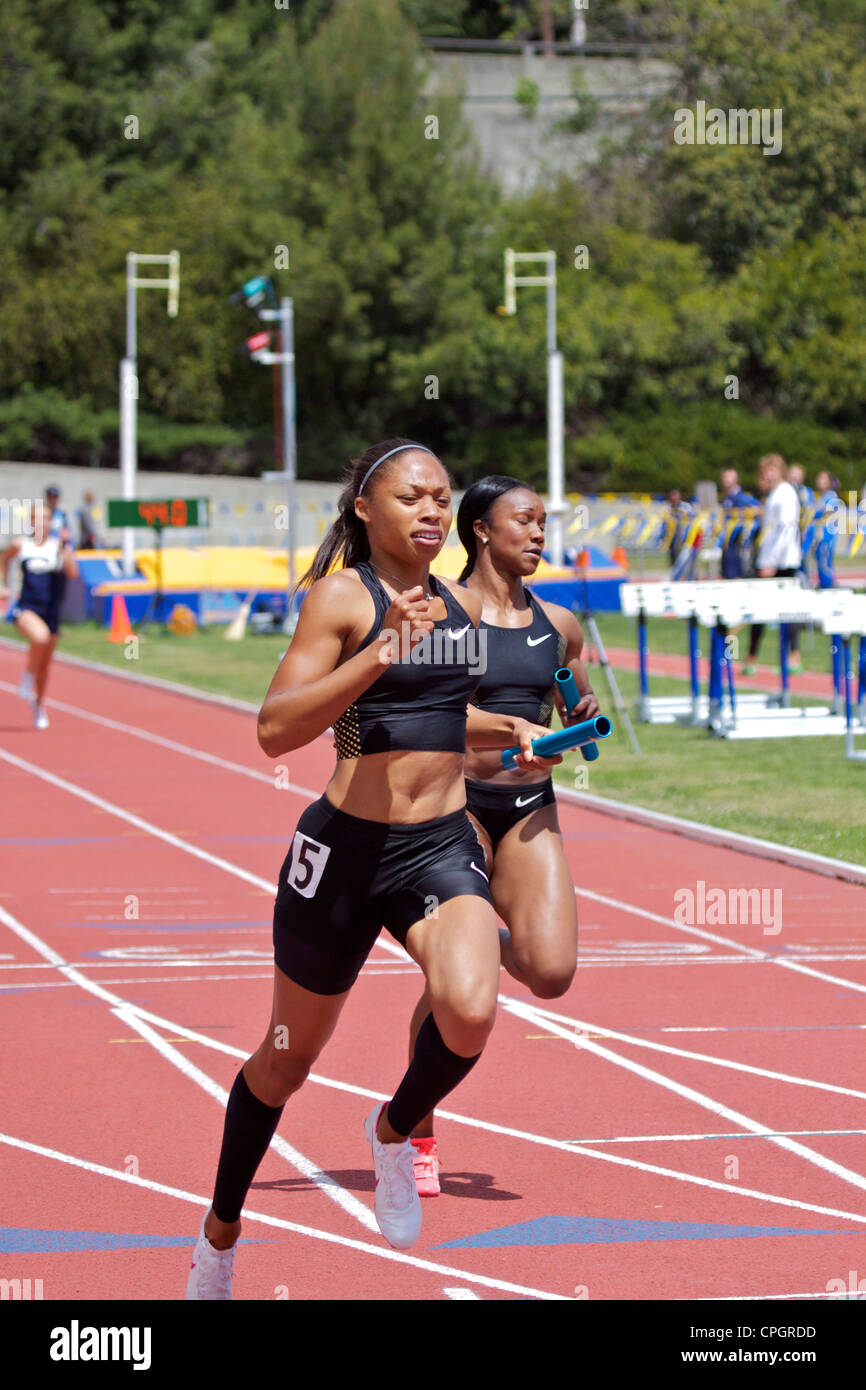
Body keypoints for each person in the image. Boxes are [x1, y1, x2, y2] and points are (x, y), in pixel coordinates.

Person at [185, 440, 555, 1299]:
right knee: (283, 1062)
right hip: (343, 856)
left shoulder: (458, 605)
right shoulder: (345, 598)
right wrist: (381, 649)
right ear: (365, 509)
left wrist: (509, 733)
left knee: (469, 1009)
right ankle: (220, 1236)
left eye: (441, 499)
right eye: (410, 498)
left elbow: (439, 715)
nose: (431, 512)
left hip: (437, 846)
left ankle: (392, 1131)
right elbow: (276, 728)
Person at [403, 476, 599, 1197]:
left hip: (528, 804)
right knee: (455, 984)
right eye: (525, 520)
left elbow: (570, 703)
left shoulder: (560, 625)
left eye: (544, 522)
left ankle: (480, 943)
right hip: (451, 807)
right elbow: (421, 717)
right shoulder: (441, 612)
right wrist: (508, 733)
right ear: (480, 529)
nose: (540, 533)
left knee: (549, 973)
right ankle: (413, 1131)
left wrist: (573, 725)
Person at [0, 501, 78, 729]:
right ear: (32, 521)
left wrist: (65, 548)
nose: (43, 522)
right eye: (39, 518)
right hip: (27, 607)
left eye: (47, 518)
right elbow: (5, 561)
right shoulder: (21, 544)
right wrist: (4, 585)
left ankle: (39, 705)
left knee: (45, 665)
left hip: (51, 610)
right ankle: (27, 674)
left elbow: (73, 573)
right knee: (39, 638)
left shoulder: (56, 547)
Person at [743, 454, 802, 676]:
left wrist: (772, 564)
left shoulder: (785, 493)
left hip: (782, 562)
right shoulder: (774, 494)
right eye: (765, 470)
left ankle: (793, 657)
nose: (768, 474)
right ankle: (752, 657)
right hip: (771, 559)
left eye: (773, 469)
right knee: (760, 611)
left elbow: (786, 530)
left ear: (781, 471)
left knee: (786, 611)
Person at [719, 467, 758, 580]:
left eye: (729, 477)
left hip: (738, 548)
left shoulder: (744, 499)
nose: (726, 480)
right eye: (724, 477)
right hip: (728, 546)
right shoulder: (725, 498)